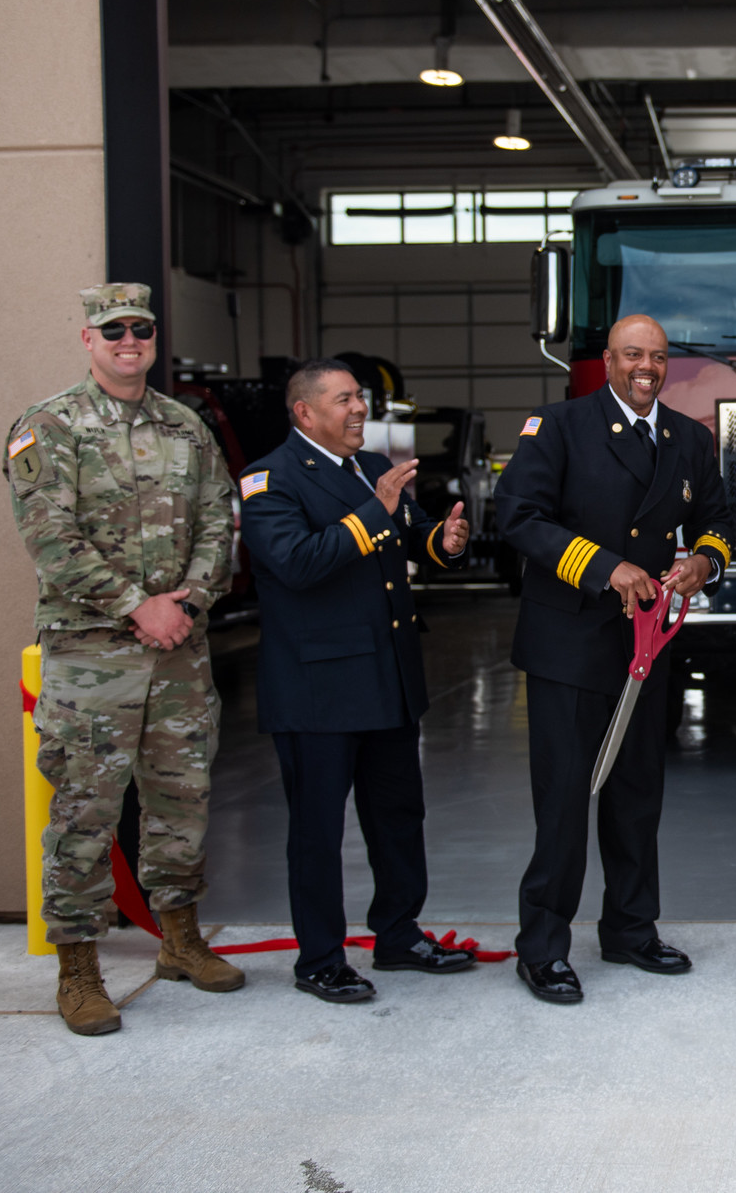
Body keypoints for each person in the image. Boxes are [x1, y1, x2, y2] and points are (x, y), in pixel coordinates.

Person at [4, 282, 244, 1036]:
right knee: (82, 812)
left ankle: (180, 940)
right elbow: (50, 538)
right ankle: (78, 970)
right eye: (114, 330)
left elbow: (220, 524)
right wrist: (139, 604)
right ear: (89, 339)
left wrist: (189, 602)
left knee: (182, 803)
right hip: (91, 657)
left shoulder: (187, 426)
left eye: (140, 328)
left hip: (178, 653)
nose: (129, 340)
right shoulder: (50, 425)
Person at [494, 314, 735, 1005]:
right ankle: (541, 948)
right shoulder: (557, 426)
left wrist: (703, 561)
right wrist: (604, 567)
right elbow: (519, 515)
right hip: (569, 643)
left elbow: (719, 521)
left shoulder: (689, 438)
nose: (646, 368)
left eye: (657, 357)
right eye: (633, 355)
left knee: (636, 798)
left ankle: (630, 928)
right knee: (565, 801)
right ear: (607, 359)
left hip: (646, 647)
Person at [237, 358, 478, 1005]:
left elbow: (418, 535)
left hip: (387, 680)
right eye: (343, 399)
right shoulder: (270, 480)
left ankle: (398, 933)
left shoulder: (374, 469)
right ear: (304, 411)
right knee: (318, 829)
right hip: (318, 691)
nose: (357, 409)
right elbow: (297, 562)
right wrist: (376, 511)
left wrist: (447, 541)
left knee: (399, 816)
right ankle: (319, 957)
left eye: (359, 398)